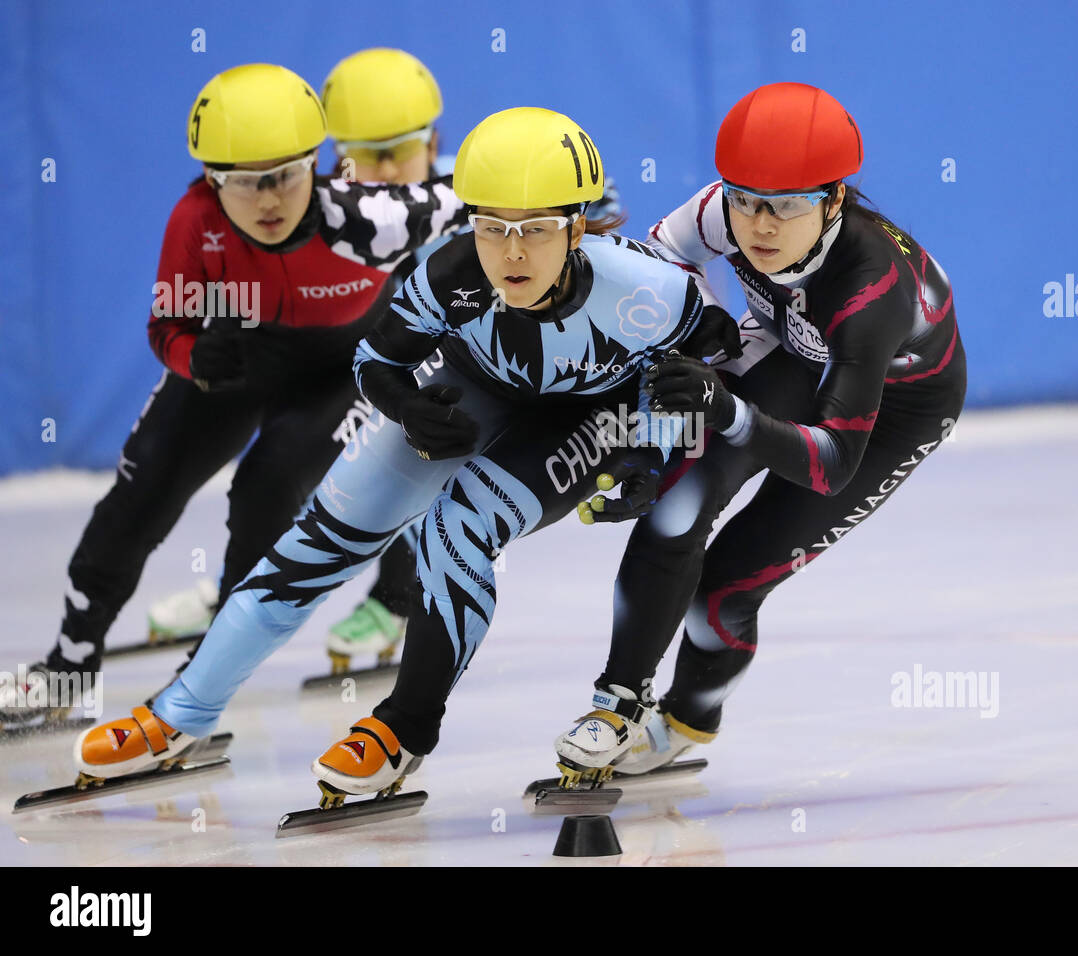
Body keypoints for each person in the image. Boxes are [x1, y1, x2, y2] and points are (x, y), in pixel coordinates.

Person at [72, 107, 712, 798]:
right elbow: (376, 362)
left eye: (535, 230)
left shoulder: (650, 289)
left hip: (589, 411)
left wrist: (653, 451)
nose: (513, 252)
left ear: (579, 226)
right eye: (492, 227)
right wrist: (407, 407)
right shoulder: (449, 272)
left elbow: (708, 357)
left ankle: (403, 731)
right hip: (478, 388)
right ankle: (180, 713)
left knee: (457, 528)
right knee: (315, 542)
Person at [0, 63, 466, 728]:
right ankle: (70, 663)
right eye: (245, 183)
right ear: (212, 181)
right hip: (240, 357)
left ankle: (209, 667)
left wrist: (581, 212)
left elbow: (485, 201)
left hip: (343, 369)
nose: (269, 200)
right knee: (145, 482)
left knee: (266, 488)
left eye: (285, 175)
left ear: (318, 163)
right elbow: (166, 329)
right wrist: (194, 357)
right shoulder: (194, 222)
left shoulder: (366, 215)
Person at [554, 82, 967, 779]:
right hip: (794, 348)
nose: (760, 226)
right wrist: (706, 328)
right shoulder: (729, 210)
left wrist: (727, 410)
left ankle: (686, 720)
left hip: (892, 409)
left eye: (785, 207)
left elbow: (834, 463)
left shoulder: (871, 293)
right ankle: (616, 702)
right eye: (745, 201)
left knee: (723, 592)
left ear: (834, 199)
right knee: (677, 508)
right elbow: (663, 255)